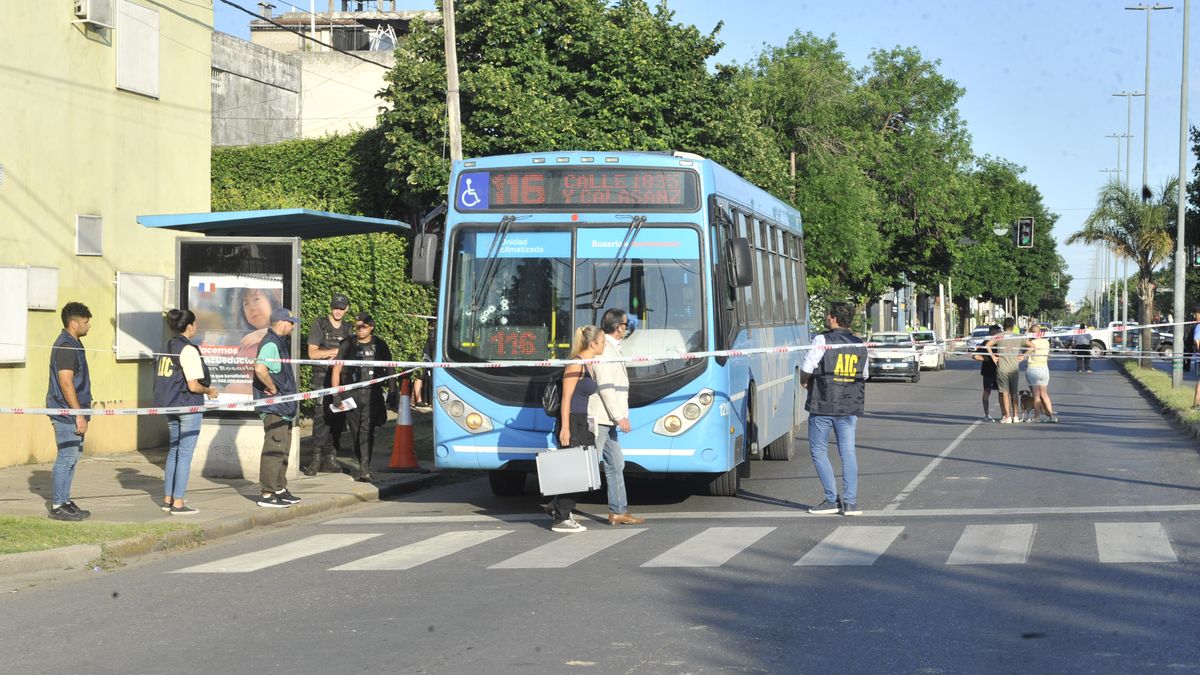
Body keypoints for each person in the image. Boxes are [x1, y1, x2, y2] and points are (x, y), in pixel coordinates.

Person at [802, 301, 868, 516]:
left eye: (828, 315)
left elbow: (807, 366)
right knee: (848, 453)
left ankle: (832, 500)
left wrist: (804, 381)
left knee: (819, 451)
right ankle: (850, 503)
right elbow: (864, 374)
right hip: (849, 405)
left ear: (833, 318)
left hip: (823, 403)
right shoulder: (860, 344)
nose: (826, 317)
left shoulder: (822, 340)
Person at [153, 309, 219, 515]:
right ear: (189, 326)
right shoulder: (188, 349)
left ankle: (168, 499)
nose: (196, 327)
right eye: (195, 323)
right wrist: (209, 391)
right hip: (188, 405)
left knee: (174, 450)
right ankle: (179, 502)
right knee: (184, 453)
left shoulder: (167, 346)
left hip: (170, 405)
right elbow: (193, 385)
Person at [589, 308, 645, 526]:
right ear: (617, 327)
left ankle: (618, 511)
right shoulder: (605, 350)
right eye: (625, 324)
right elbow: (605, 387)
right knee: (587, 465)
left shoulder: (613, 347)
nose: (627, 328)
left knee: (616, 464)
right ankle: (559, 506)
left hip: (608, 421)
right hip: (601, 417)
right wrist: (619, 416)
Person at [548, 325, 606, 533]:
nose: (605, 345)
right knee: (577, 472)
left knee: (588, 469)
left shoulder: (590, 364)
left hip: (582, 420)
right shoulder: (576, 363)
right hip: (572, 421)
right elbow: (566, 398)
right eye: (603, 341)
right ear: (592, 344)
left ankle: (556, 506)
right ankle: (561, 517)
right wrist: (565, 428)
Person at [331, 313, 397, 482]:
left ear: (371, 327)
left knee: (366, 431)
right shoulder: (347, 344)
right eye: (357, 327)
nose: (360, 330)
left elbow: (390, 368)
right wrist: (336, 394)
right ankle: (363, 464)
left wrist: (392, 392)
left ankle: (364, 469)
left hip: (372, 394)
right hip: (351, 394)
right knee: (355, 433)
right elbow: (337, 369)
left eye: (363, 327)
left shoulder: (380, 345)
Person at [45, 302, 95, 522]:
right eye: (86, 322)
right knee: (66, 457)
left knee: (73, 457)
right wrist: (78, 414)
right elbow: (66, 383)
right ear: (73, 323)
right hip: (66, 412)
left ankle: (64, 500)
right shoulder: (66, 346)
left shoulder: (74, 343)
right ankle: (58, 505)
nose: (88, 325)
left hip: (73, 411)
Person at [252, 307, 302, 508]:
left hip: (283, 407)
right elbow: (260, 368)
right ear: (280, 323)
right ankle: (267, 494)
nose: (293, 327)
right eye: (290, 323)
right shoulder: (271, 343)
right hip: (275, 408)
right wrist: (272, 388)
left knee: (283, 450)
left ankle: (279, 488)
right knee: (274, 450)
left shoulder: (279, 342)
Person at [302, 292, 353, 476]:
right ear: (330, 307)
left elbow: (352, 354)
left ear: (347, 309)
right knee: (320, 419)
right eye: (335, 308)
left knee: (338, 420)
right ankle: (315, 459)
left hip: (341, 381)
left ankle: (331, 457)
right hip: (321, 381)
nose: (338, 311)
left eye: (341, 308)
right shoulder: (320, 324)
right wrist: (335, 352)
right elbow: (312, 353)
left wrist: (338, 355)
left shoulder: (349, 329)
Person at [986, 317, 1031, 424]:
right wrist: (1023, 356)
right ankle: (1015, 416)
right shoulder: (1018, 337)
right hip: (1014, 368)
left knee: (1004, 393)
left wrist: (993, 356)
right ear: (1013, 326)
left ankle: (1007, 416)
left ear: (1003, 326)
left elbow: (988, 345)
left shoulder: (999, 336)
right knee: (1014, 393)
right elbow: (1032, 346)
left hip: (1002, 368)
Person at [1025, 325, 1058, 423]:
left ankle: (1037, 417)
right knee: (1044, 394)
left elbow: (1025, 344)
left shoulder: (1031, 343)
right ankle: (1051, 416)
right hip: (1044, 368)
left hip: (1033, 368)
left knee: (1036, 395)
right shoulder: (1046, 342)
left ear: (1032, 333)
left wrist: (1027, 335)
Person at [972, 324, 1002, 421]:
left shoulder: (1002, 342)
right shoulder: (985, 342)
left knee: (1002, 392)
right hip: (988, 371)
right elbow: (975, 356)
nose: (996, 336)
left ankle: (1004, 414)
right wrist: (985, 359)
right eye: (994, 334)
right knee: (986, 392)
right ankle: (986, 414)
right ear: (990, 333)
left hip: (1001, 370)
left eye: (998, 333)